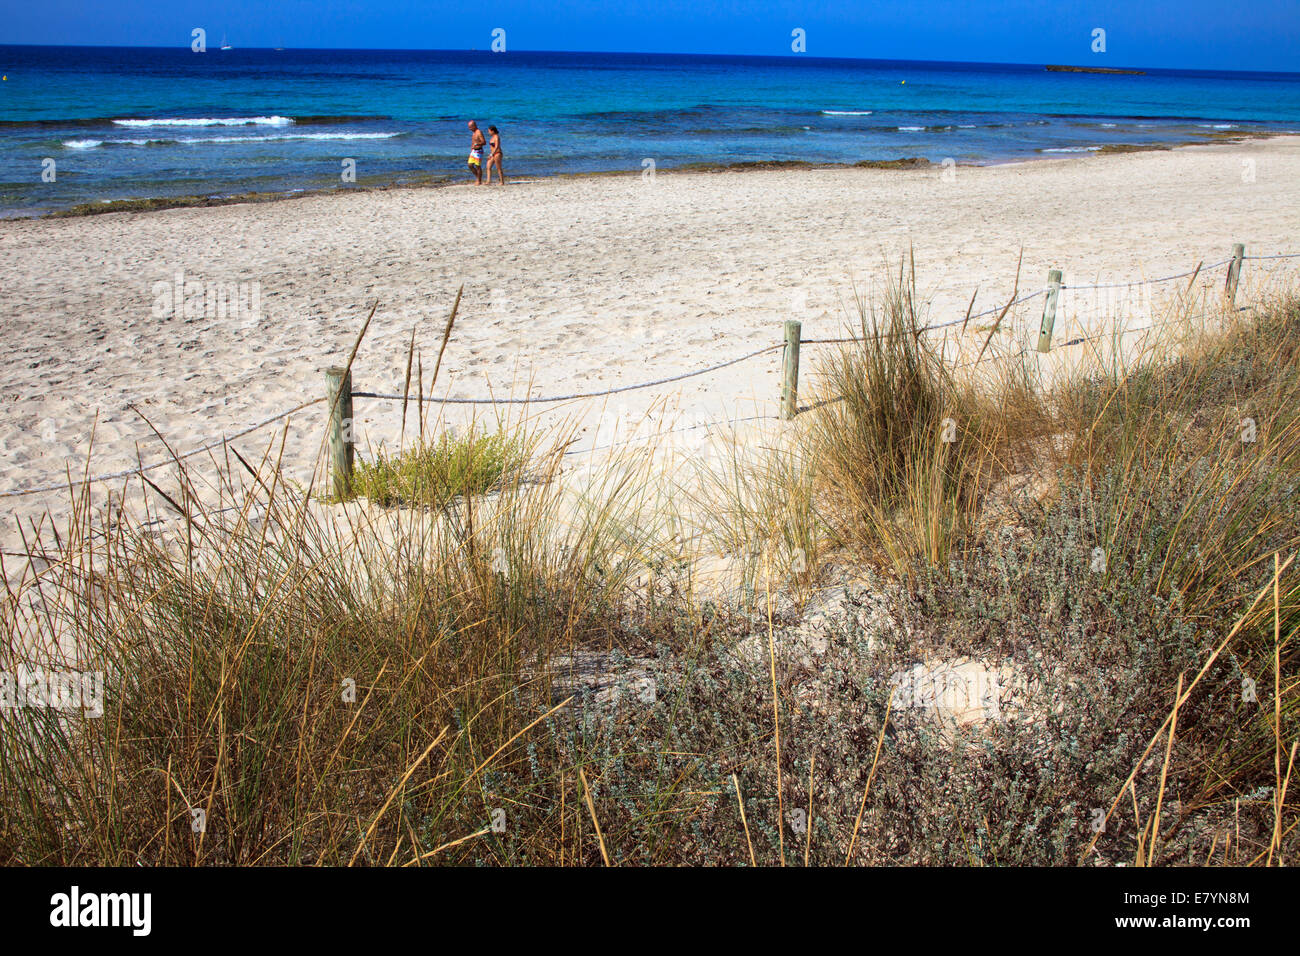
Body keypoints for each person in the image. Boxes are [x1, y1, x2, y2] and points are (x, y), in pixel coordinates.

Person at [466, 120, 486, 185]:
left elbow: (484, 142)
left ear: (474, 126)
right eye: (469, 127)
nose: (469, 129)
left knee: (477, 166)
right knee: (470, 165)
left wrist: (477, 143)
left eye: (470, 127)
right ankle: (478, 177)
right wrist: (472, 147)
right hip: (473, 151)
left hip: (478, 151)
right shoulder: (474, 132)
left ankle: (479, 180)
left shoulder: (479, 132)